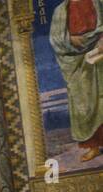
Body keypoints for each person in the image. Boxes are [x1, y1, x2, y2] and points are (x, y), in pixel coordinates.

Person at [50, 0, 103, 163]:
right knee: (85, 105)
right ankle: (94, 147)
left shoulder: (98, 3)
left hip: (100, 53)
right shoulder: (61, 10)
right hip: (77, 63)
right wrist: (71, 40)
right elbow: (56, 39)